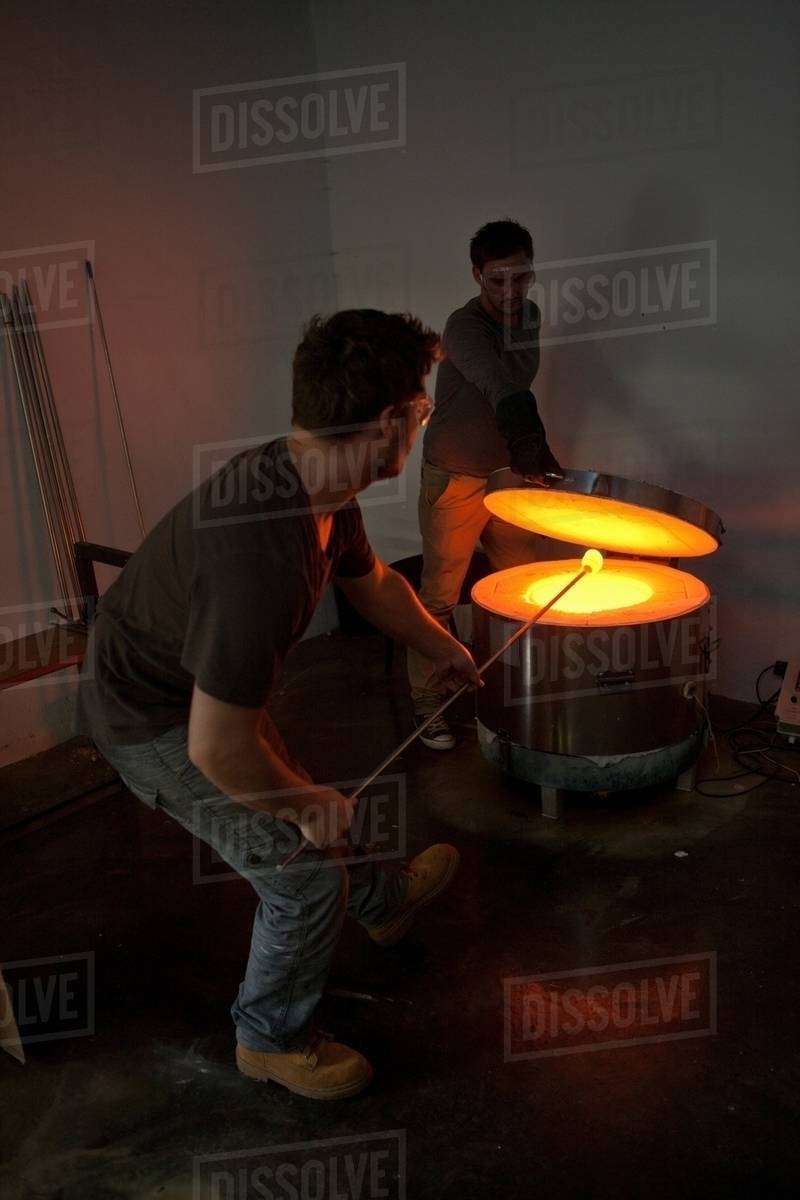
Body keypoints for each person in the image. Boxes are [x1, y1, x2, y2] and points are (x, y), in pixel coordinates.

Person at [75, 309, 480, 1100]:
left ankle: (382, 902)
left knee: (298, 791)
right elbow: (215, 752)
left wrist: (441, 646)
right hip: (149, 719)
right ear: (390, 422)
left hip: (189, 686)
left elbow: (373, 585)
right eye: (423, 411)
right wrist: (301, 803)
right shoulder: (261, 554)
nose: (423, 424)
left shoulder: (318, 479)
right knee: (299, 870)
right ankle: (269, 1037)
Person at [407, 219, 563, 750]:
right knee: (439, 594)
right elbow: (498, 385)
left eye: (521, 278)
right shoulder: (463, 327)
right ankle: (429, 701)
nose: (511, 292)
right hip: (454, 474)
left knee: (521, 585)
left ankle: (517, 688)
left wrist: (530, 452)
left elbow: (516, 382)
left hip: (506, 476)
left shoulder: (531, 316)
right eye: (497, 281)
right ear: (477, 275)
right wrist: (526, 431)